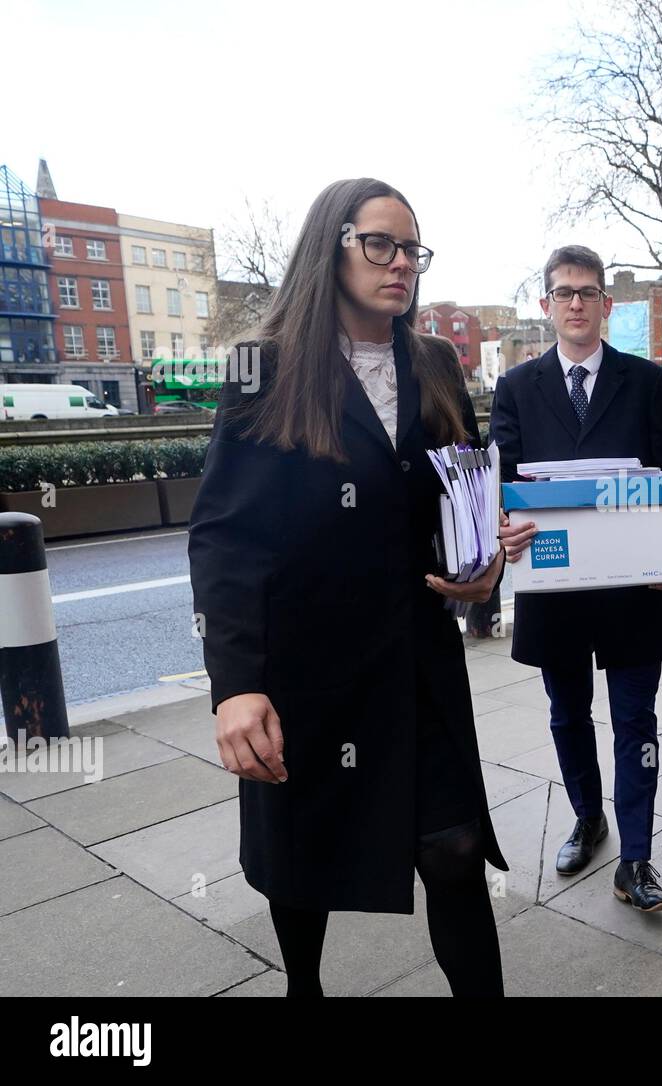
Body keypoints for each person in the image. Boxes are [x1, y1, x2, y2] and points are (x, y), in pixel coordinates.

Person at [188, 178, 508, 997]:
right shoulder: (266, 367)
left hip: (416, 661)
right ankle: (305, 988)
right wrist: (236, 687)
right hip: (306, 666)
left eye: (412, 250)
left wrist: (482, 572)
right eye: (381, 245)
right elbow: (225, 534)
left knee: (455, 848)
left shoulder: (435, 362)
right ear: (332, 248)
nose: (401, 264)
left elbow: (456, 498)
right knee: (303, 864)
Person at [491, 245, 662, 911]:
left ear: (606, 304)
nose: (575, 302)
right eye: (562, 292)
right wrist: (504, 526)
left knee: (637, 720)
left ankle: (634, 859)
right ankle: (588, 818)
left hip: (634, 587)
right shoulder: (517, 389)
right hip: (555, 588)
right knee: (567, 712)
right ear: (548, 305)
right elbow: (502, 482)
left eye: (586, 291)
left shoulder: (646, 381)